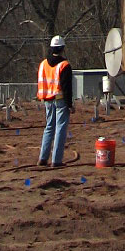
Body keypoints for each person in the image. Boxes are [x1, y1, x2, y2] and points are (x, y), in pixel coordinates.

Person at [37, 35, 73, 167]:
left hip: (47, 100)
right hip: (60, 100)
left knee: (49, 128)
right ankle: (56, 161)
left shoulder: (43, 64)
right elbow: (66, 87)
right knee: (60, 129)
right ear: (62, 48)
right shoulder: (64, 65)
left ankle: (43, 158)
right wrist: (70, 105)